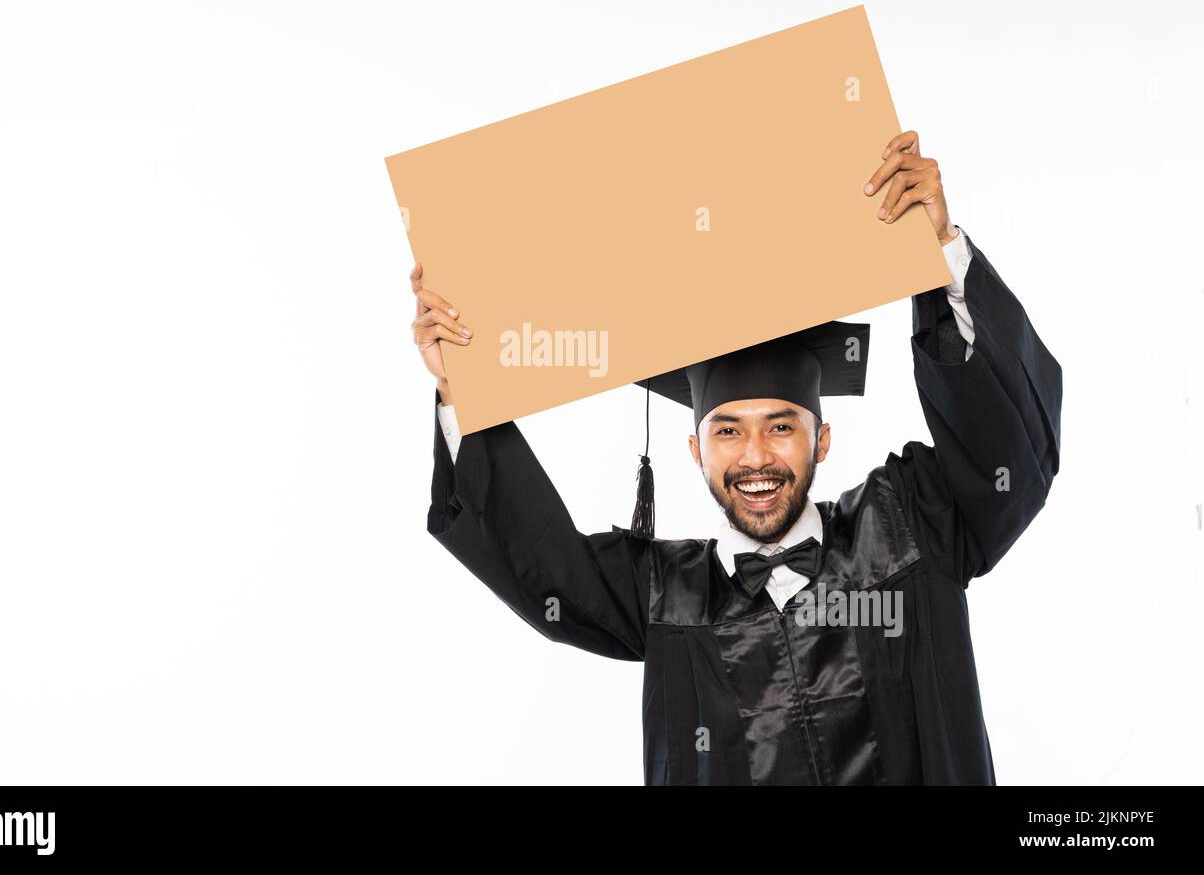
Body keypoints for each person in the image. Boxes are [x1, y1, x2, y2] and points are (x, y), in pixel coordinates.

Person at [408, 130, 1062, 785]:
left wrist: (941, 254)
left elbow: (1007, 454)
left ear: (822, 440)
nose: (755, 457)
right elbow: (539, 567)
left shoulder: (912, 527)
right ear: (695, 450)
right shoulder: (664, 596)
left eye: (781, 426)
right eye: (727, 431)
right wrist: (461, 384)